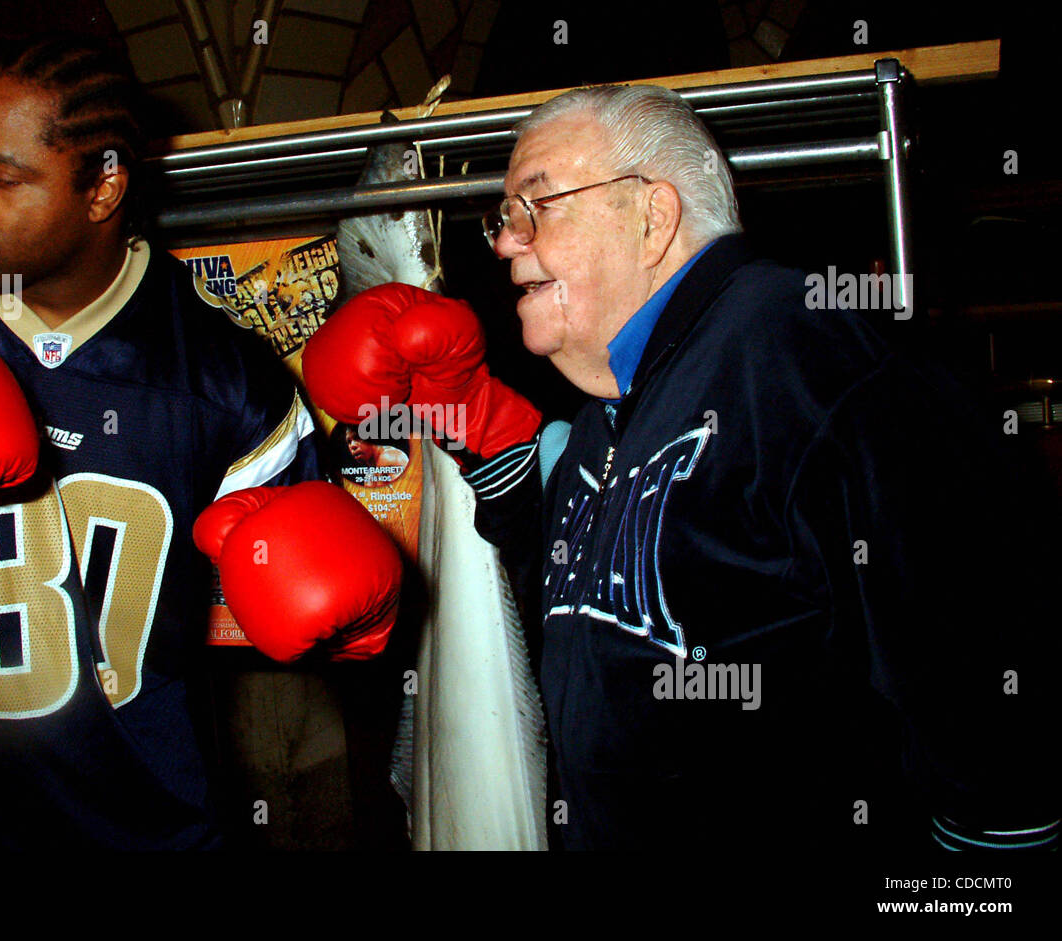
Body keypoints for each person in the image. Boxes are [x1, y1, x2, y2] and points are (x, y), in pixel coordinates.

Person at [303, 84, 1058, 853]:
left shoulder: (811, 354)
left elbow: (1003, 732)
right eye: (505, 217)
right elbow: (571, 614)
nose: (503, 241)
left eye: (539, 205)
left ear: (653, 216)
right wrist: (480, 432)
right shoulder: (614, 405)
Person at [0, 35, 399, 850]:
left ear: (104, 186)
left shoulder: (226, 378)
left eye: (5, 175)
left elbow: (291, 611)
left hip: (151, 831)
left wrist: (349, 618)